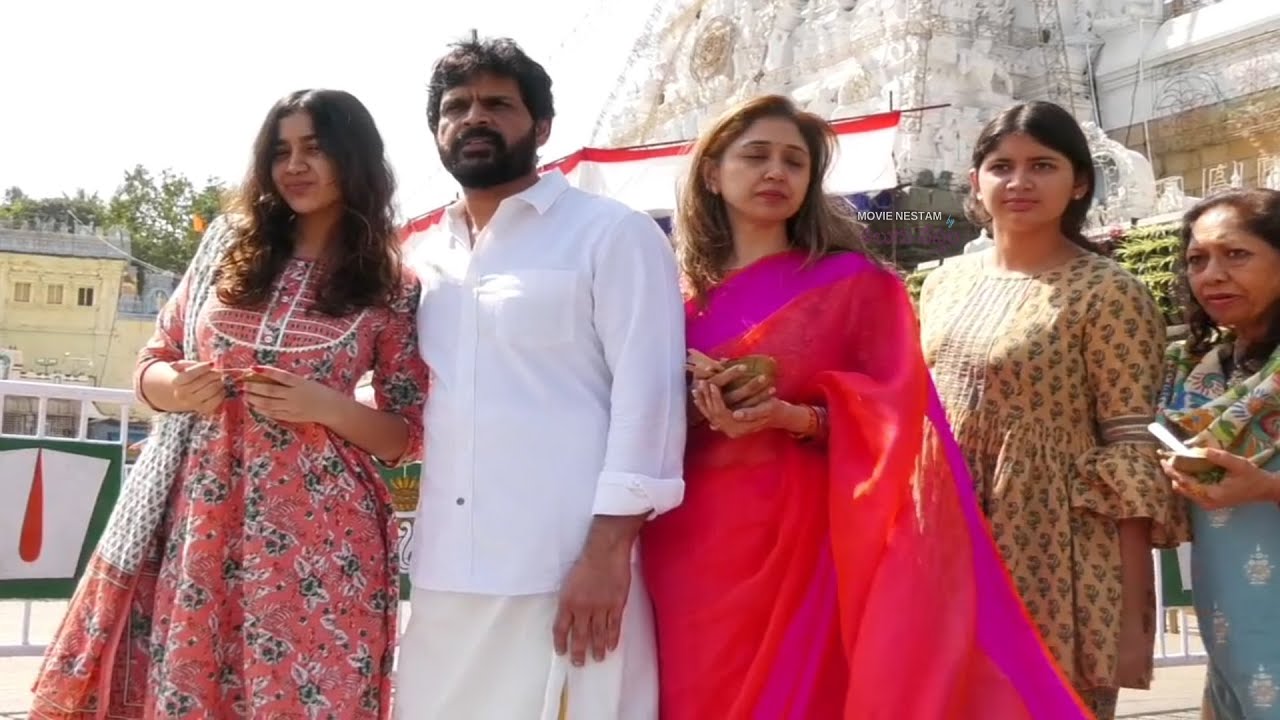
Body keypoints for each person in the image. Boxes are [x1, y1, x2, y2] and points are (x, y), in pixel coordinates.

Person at [641, 94, 1089, 719]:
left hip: (806, 536)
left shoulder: (856, 285)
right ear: (712, 173)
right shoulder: (667, 294)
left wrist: (788, 416)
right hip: (685, 542)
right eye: (757, 156)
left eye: (795, 162)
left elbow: (904, 421)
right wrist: (694, 402)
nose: (776, 172)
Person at [30, 89, 428, 719]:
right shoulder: (228, 246)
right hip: (197, 518)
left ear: (355, 159)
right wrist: (174, 388)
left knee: (302, 693)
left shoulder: (390, 283)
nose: (293, 166)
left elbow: (405, 434)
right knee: (192, 689)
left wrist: (325, 406)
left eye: (314, 149)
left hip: (318, 539)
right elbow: (152, 361)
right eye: (280, 151)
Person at [394, 37, 686, 719]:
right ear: (436, 130)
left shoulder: (611, 235)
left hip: (565, 570)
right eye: (457, 107)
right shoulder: (419, 255)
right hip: (443, 571)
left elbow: (650, 401)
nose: (475, 118)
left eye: (498, 104)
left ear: (542, 127)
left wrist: (607, 554)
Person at [917, 100, 1185, 719]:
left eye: (1043, 165)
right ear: (975, 181)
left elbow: (1129, 444)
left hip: (1054, 543)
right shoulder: (943, 284)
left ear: (1080, 182)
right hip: (945, 523)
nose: (1019, 182)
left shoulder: (1110, 291)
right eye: (1001, 166)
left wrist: (1128, 611)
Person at [1156, 189, 1280, 720]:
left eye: (1236, 255)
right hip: (1232, 632)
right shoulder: (1195, 376)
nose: (1211, 275)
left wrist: (1268, 488)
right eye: (1197, 260)